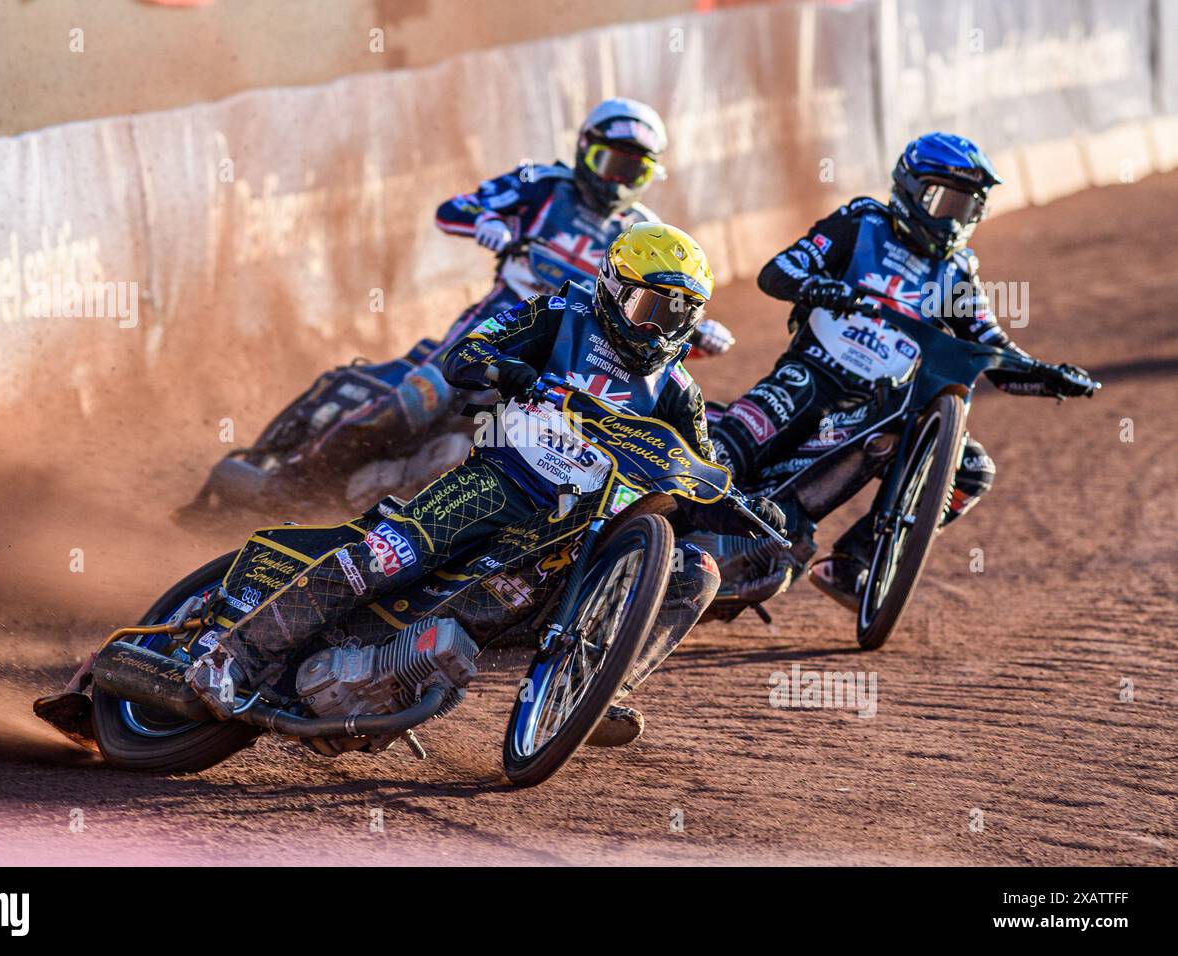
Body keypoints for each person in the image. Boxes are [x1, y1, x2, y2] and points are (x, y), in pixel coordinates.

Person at [189, 223, 781, 746]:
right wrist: (507, 369)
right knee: (390, 553)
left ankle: (594, 686)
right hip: (501, 480)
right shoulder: (560, 314)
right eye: (651, 307)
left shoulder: (681, 392)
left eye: (681, 313)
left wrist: (751, 511)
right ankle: (237, 656)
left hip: (579, 531)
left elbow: (699, 477)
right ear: (613, 288)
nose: (661, 327)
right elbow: (467, 352)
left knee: (696, 570)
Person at [709, 132, 1096, 609]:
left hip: (886, 402)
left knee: (971, 469)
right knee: (740, 436)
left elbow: (992, 350)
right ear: (910, 190)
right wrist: (818, 287)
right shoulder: (861, 222)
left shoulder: (958, 270)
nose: (954, 219)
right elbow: (777, 272)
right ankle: (667, 518)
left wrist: (1047, 375)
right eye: (945, 201)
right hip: (815, 372)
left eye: (968, 208)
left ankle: (856, 564)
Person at [302, 98, 734, 499]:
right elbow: (453, 209)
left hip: (565, 359)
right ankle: (297, 479)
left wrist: (693, 325)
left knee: (487, 448)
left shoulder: (643, 233)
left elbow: (645, 319)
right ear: (585, 151)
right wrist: (487, 220)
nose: (617, 181)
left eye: (633, 172)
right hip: (490, 329)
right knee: (412, 402)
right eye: (609, 163)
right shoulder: (543, 184)